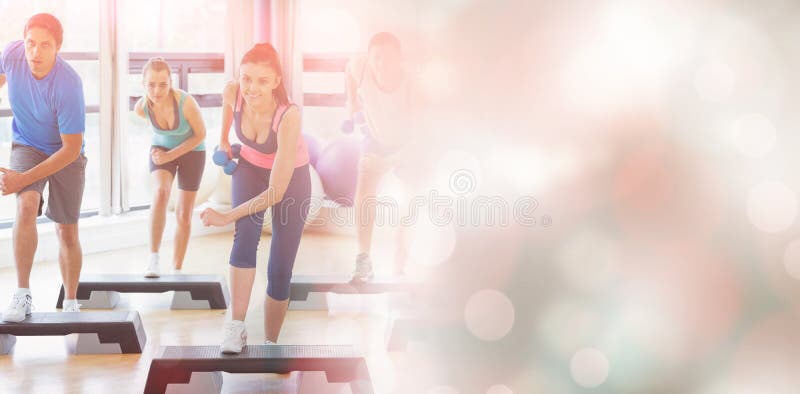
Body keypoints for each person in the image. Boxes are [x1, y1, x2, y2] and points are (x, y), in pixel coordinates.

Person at [200, 43, 311, 353]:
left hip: (290, 182)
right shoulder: (233, 91)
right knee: (245, 237)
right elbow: (227, 111)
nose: (251, 88)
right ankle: (235, 327)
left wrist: (225, 216)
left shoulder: (289, 115)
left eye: (262, 81)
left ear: (276, 81)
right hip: (249, 166)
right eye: (247, 78)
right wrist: (223, 140)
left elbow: (275, 192)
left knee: (279, 266)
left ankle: (271, 342)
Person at [0, 13, 87, 320]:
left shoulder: (68, 84)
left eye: (45, 45)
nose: (35, 52)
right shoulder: (12, 55)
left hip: (65, 153)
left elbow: (71, 148)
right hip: (27, 144)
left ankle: (72, 301)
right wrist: (24, 181)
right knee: (25, 207)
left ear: (57, 48)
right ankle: (22, 295)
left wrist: (23, 177)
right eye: (31, 43)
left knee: (68, 233)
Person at [345, 32, 415, 282]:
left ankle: (400, 261)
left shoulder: (412, 85)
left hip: (408, 146)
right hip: (375, 140)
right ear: (369, 58)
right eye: (378, 58)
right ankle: (364, 260)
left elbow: (421, 138)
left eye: (390, 58)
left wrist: (387, 163)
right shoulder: (360, 67)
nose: (383, 64)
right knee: (364, 194)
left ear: (400, 59)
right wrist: (351, 103)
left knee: (411, 200)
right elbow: (348, 70)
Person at [134, 57, 207, 277]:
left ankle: (177, 269)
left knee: (184, 215)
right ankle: (154, 259)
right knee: (161, 192)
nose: (157, 90)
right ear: (143, 85)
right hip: (161, 151)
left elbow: (200, 135)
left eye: (163, 84)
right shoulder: (142, 108)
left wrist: (171, 155)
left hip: (193, 152)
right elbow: (156, 133)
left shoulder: (186, 103)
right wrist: (162, 155)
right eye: (151, 85)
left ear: (171, 82)